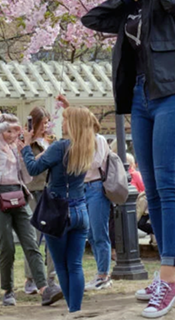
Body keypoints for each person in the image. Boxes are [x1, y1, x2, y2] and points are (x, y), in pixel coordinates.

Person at [82, 0, 175, 318]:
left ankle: (170, 274)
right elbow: (91, 18)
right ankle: (172, 275)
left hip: (173, 93)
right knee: (152, 188)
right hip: (140, 97)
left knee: (169, 184)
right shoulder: (128, 11)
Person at [22, 107, 96, 313]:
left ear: (72, 124)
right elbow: (89, 122)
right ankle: (76, 309)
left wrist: (26, 147)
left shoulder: (60, 146)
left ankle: (73, 312)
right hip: (81, 210)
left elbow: (33, 169)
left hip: (58, 212)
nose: (61, 124)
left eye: (65, 120)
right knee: (75, 265)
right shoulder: (88, 145)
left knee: (61, 265)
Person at [0, 112, 48, 307]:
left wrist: (23, 153)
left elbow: (27, 178)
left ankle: (43, 288)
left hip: (18, 195)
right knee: (7, 247)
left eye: (14, 131)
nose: (12, 135)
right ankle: (8, 290)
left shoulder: (16, 148)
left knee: (31, 243)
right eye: (8, 131)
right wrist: (6, 125)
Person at [66, 97, 113, 293]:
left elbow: (95, 164)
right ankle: (101, 273)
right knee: (91, 234)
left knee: (99, 233)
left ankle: (103, 274)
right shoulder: (76, 142)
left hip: (95, 188)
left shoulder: (98, 140)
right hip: (81, 189)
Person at [21, 106, 63, 305]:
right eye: (43, 122)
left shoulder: (52, 142)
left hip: (50, 191)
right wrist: (28, 144)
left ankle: (52, 277)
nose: (46, 125)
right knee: (34, 237)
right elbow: (25, 167)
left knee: (53, 234)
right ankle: (32, 278)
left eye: (48, 121)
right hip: (32, 191)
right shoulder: (26, 143)